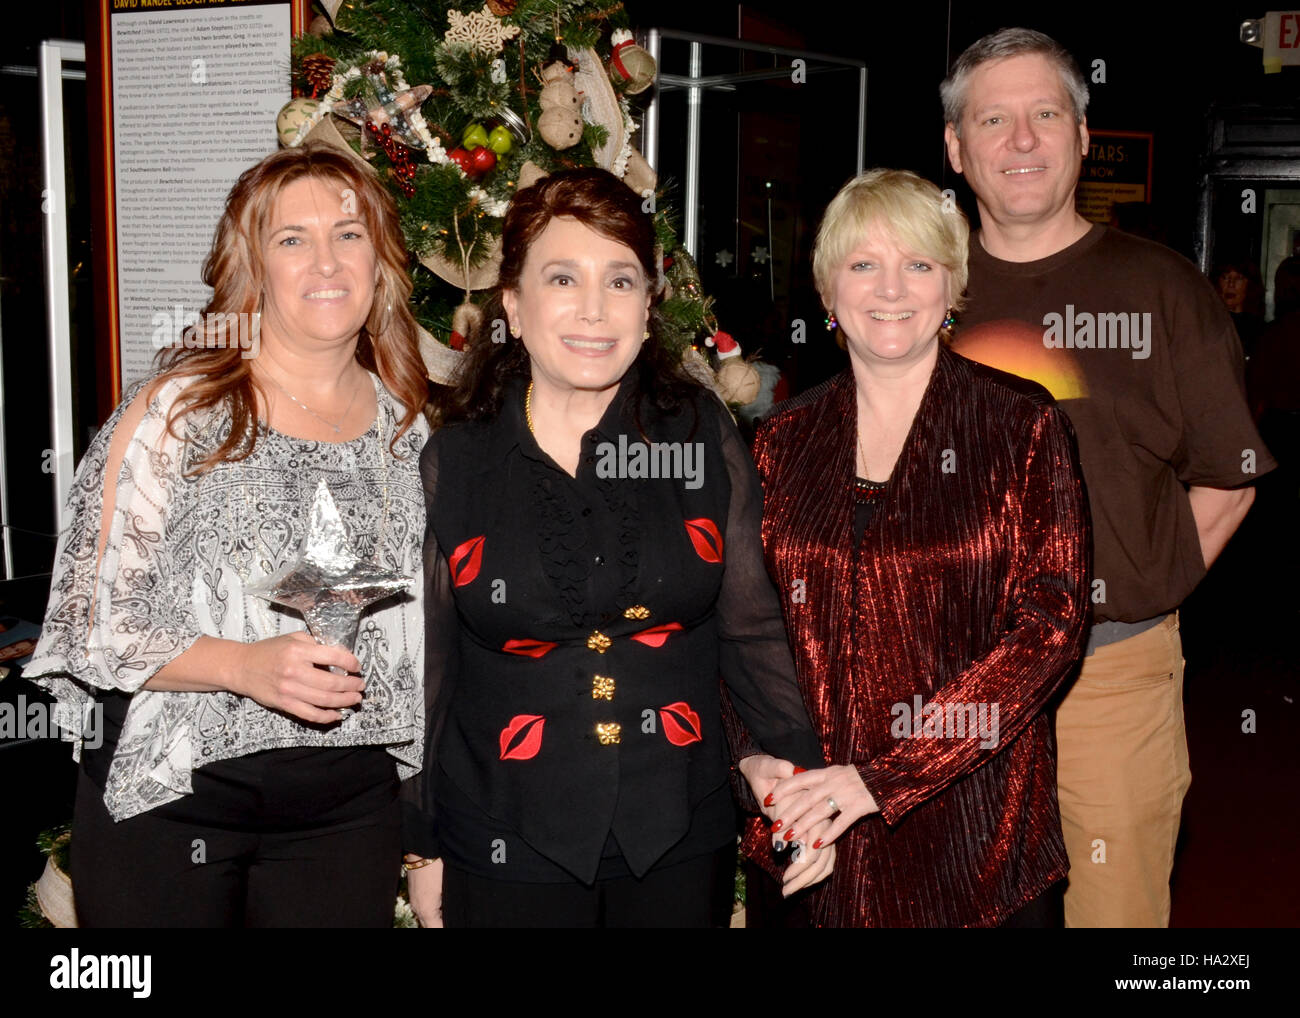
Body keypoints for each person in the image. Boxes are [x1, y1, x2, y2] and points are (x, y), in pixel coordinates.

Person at [400, 167, 828, 928]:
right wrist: (421, 846)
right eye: (562, 278)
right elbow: (430, 666)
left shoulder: (697, 433)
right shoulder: (457, 459)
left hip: (675, 836)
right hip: (503, 837)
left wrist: (799, 778)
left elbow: (753, 629)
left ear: (647, 304)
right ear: (513, 306)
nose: (594, 311)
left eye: (620, 281)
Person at [24, 142, 431, 927]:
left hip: (348, 817)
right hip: (175, 804)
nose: (326, 260)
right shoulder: (175, 414)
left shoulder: (410, 428)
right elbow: (94, 624)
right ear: (255, 266)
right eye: (292, 239)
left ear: (380, 260)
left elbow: (431, 643)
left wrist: (429, 832)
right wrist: (245, 665)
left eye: (349, 234)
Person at [941, 27, 1275, 927]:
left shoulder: (1165, 290)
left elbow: (1230, 477)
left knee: (1116, 920)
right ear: (955, 147)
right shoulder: (918, 291)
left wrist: (1145, 595)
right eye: (994, 119)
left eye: (1045, 114)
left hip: (1110, 676)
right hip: (945, 679)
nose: (1021, 140)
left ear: (1083, 137)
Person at [742, 168, 1090, 928]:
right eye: (864, 263)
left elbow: (1052, 630)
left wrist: (881, 780)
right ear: (828, 290)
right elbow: (740, 625)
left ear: (952, 284)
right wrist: (753, 763)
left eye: (919, 264)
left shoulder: (1020, 426)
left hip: (974, 839)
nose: (890, 287)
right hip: (808, 833)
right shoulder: (779, 441)